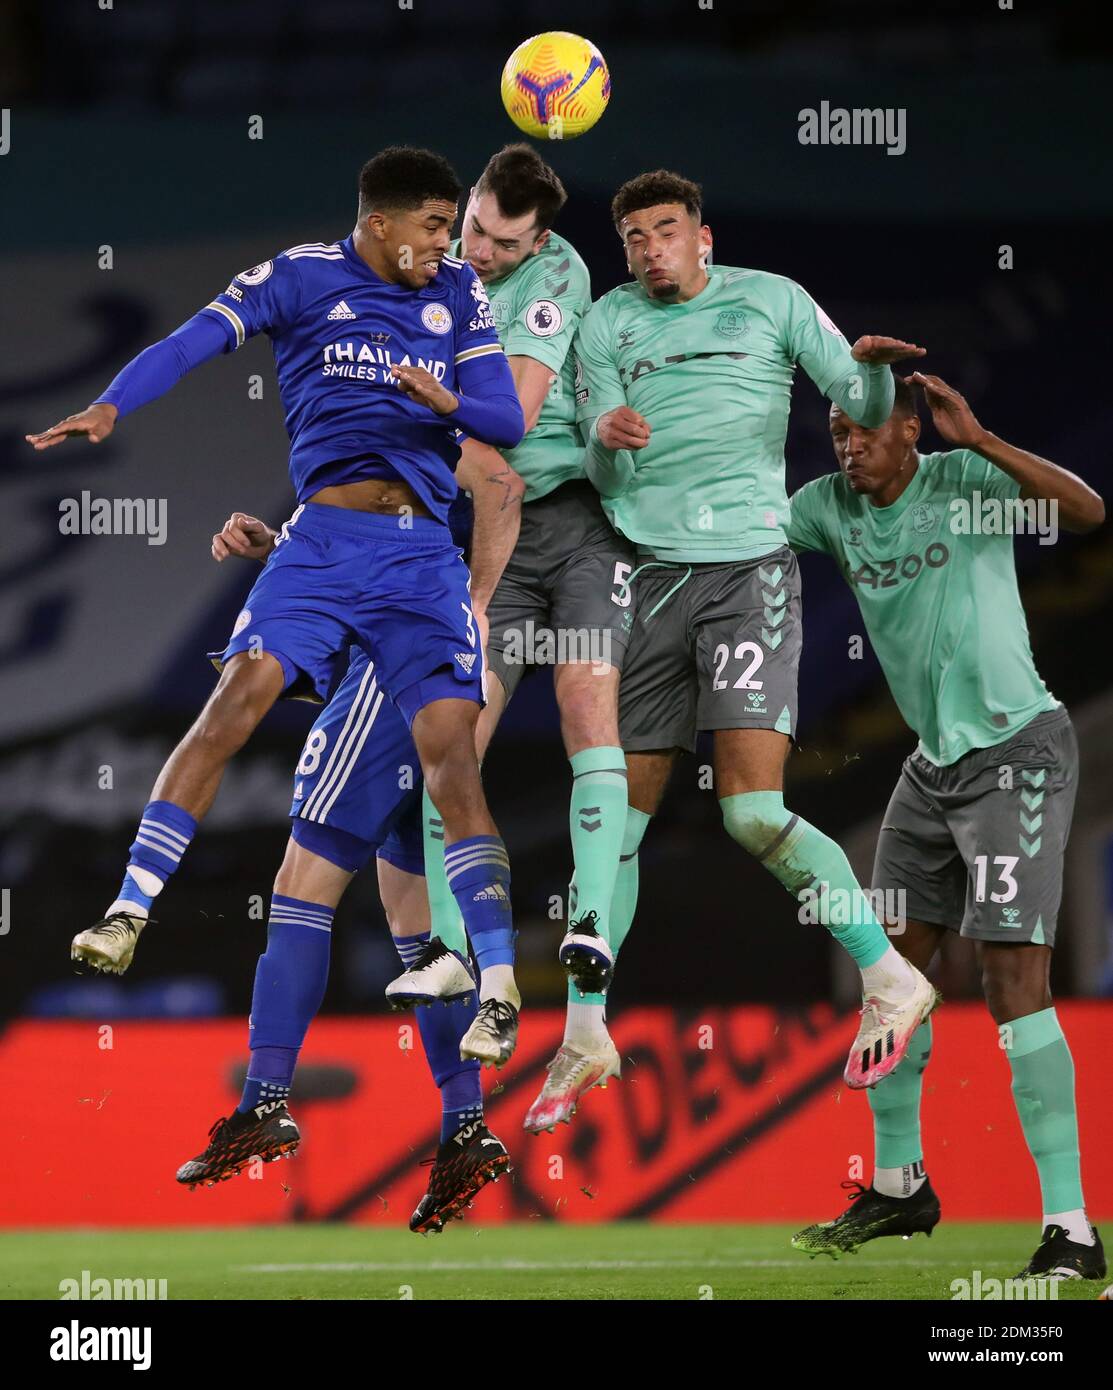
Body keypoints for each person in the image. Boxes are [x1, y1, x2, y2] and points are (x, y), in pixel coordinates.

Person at [28, 147, 525, 1066]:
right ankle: (129, 907)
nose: (444, 243)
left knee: (452, 761)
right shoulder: (298, 279)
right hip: (321, 547)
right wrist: (110, 404)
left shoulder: (457, 292)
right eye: (429, 225)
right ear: (378, 222)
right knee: (235, 698)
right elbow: (192, 341)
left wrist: (444, 395)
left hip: (421, 557)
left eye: (449, 227)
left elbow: (506, 423)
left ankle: (498, 985)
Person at [573, 169, 936, 1091]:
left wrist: (875, 369)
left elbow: (857, 403)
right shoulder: (607, 322)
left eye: (665, 231)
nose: (650, 250)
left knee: (749, 812)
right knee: (614, 820)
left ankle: (886, 974)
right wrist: (601, 446)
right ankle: (583, 1033)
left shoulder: (770, 301)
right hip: (645, 579)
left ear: (702, 236)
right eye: (633, 239)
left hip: (745, 573)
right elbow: (604, 482)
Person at [787, 372, 1106, 1281]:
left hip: (1017, 753)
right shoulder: (825, 506)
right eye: (836, 431)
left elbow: (1083, 511)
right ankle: (899, 1184)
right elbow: (739, 535)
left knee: (1012, 982)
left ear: (911, 430)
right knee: (891, 976)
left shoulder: (963, 484)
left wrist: (983, 440)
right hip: (929, 771)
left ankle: (1072, 1232)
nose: (845, 447)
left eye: (861, 433)